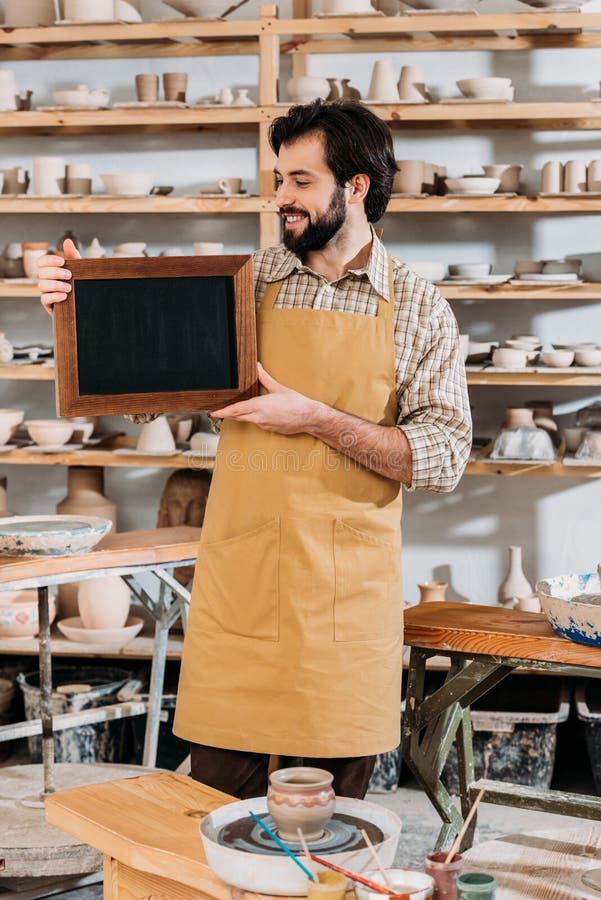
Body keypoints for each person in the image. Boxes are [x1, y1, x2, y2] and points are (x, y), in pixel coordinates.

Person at [38, 100, 471, 801]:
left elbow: (442, 457)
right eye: (278, 178)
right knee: (213, 825)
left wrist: (315, 418)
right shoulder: (246, 284)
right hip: (240, 595)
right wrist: (79, 313)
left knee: (327, 834)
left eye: (300, 180)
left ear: (355, 186)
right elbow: (150, 395)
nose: (280, 198)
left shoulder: (419, 308)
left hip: (344, 608)